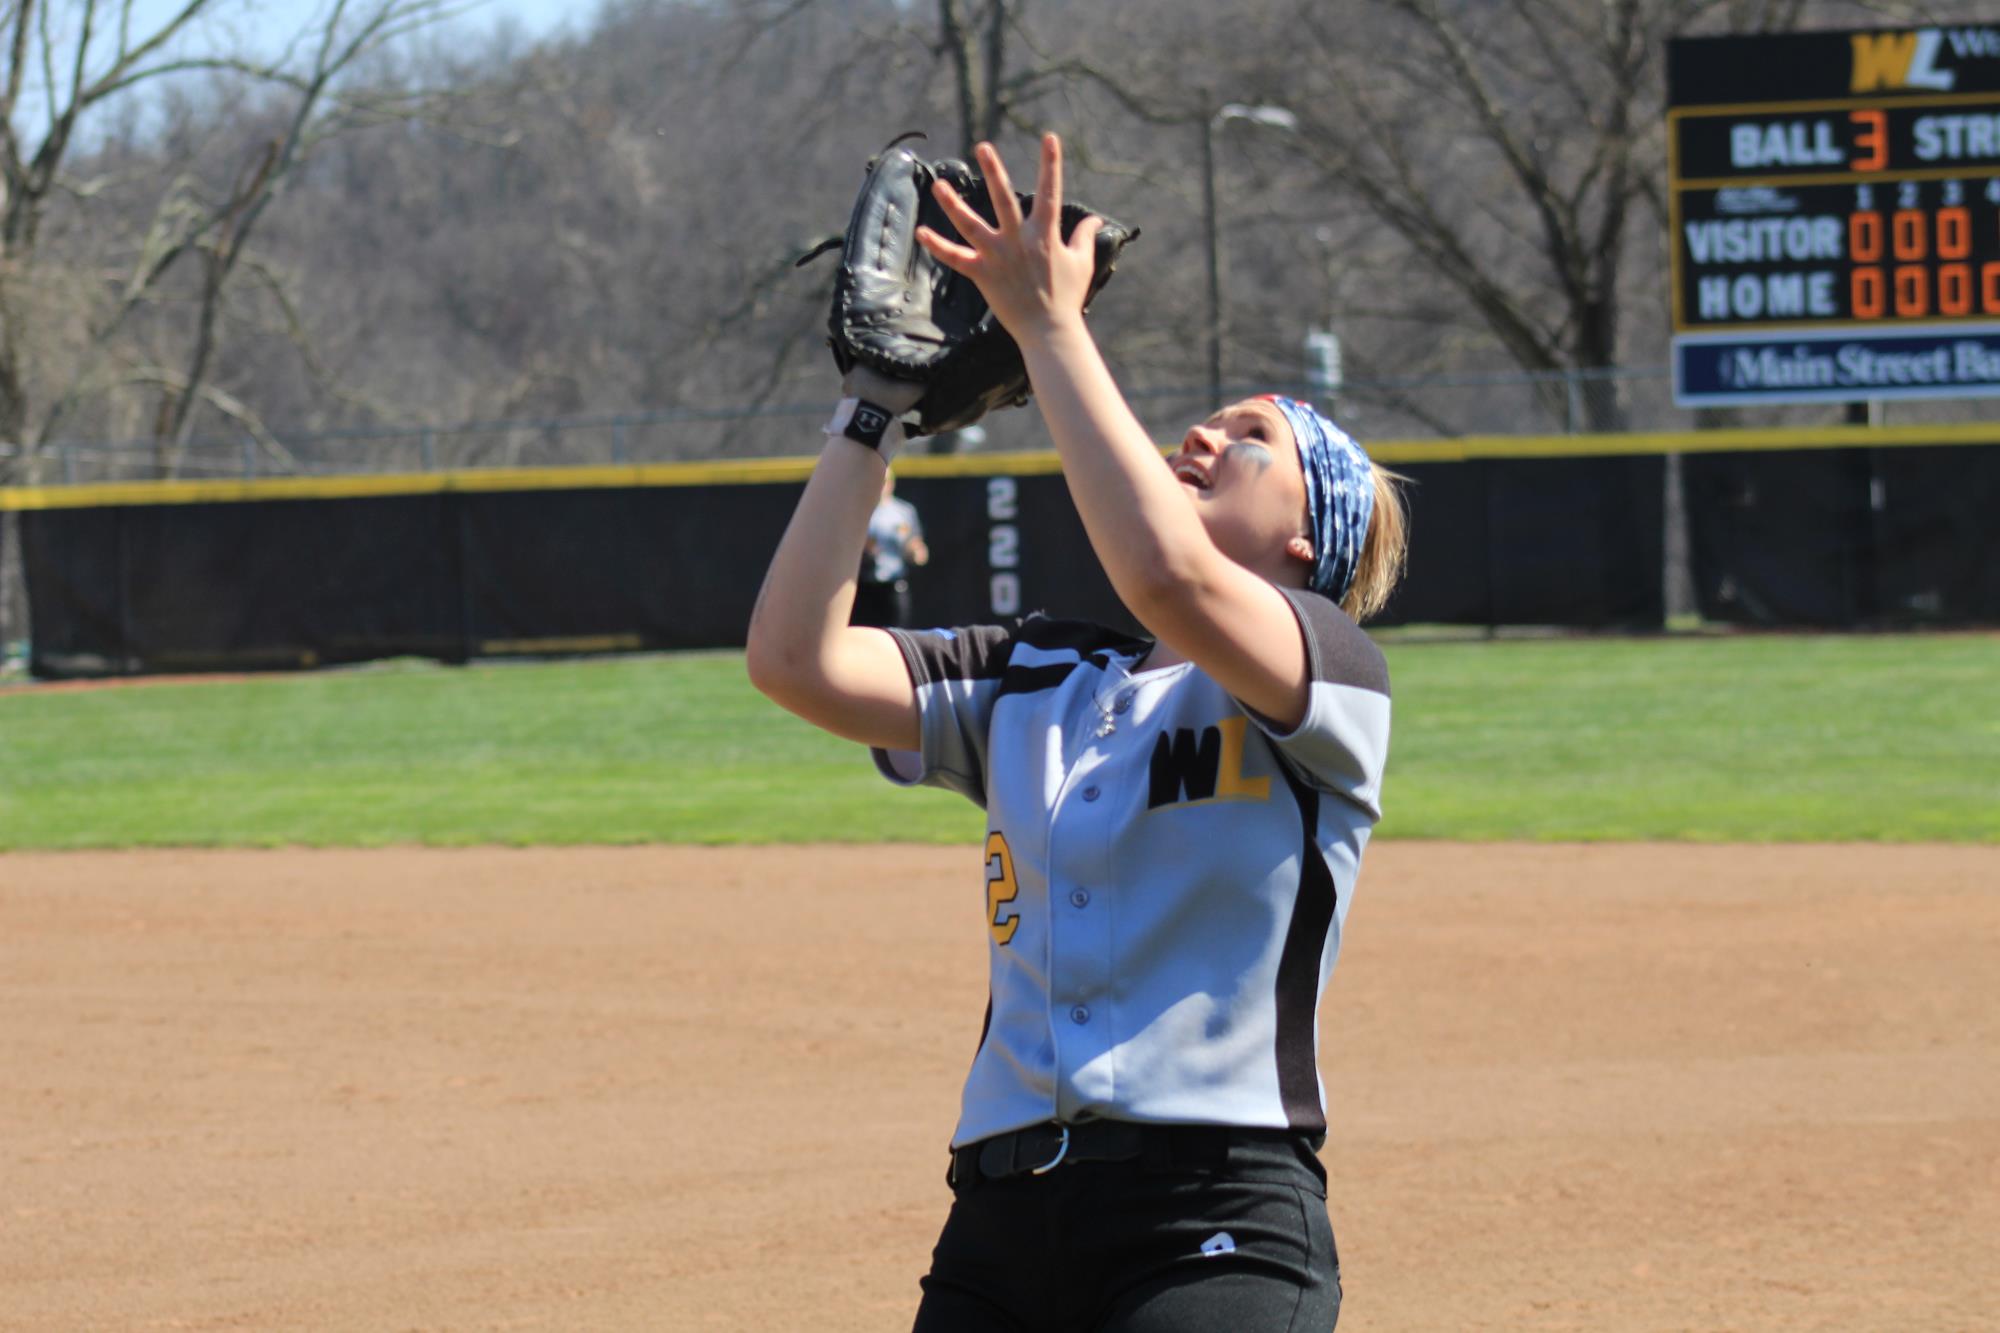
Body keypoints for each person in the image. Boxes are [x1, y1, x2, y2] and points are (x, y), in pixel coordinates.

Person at [746, 133, 1407, 1333]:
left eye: (1249, 438)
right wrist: (872, 412)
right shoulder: (1037, 677)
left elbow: (1165, 576)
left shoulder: (1330, 676)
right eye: (1209, 420)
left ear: (1307, 538)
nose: (1202, 435)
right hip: (998, 1223)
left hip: (1211, 1215)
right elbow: (795, 659)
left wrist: (1047, 323)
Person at [853, 469, 930, 628]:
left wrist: (916, 552)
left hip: (892, 583)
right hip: (863, 584)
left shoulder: (903, 511)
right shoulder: (857, 509)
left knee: (894, 633)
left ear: (891, 483)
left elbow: (914, 544)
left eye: (884, 481)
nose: (880, 486)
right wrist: (863, 547)